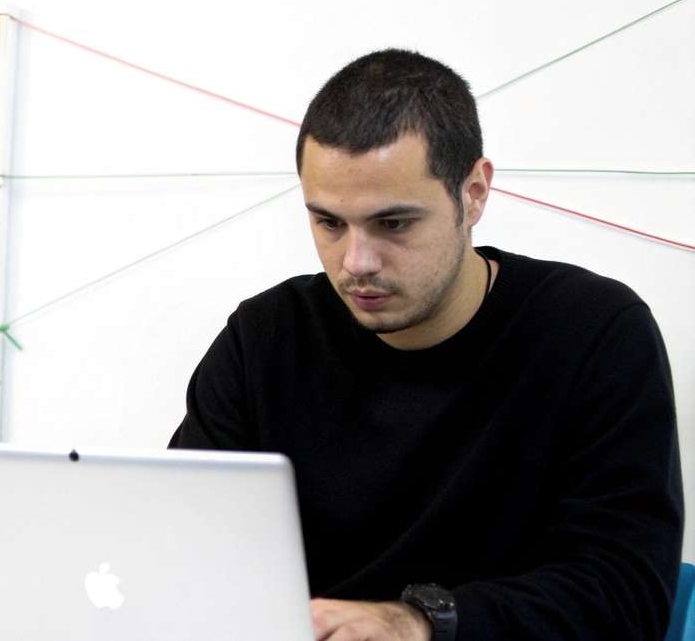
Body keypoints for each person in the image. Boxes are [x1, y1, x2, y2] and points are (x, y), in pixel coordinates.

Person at [168, 48, 684, 640]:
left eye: (394, 224)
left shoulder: (593, 331)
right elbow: (187, 554)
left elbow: (626, 595)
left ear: (473, 193)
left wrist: (417, 624)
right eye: (328, 223)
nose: (355, 263)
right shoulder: (263, 338)